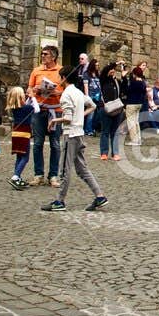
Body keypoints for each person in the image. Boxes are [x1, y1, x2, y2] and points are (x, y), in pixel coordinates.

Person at [43, 65, 106, 213]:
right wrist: (81, 116)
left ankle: (59, 201)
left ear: (64, 78)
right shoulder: (78, 92)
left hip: (70, 135)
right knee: (82, 169)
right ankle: (100, 196)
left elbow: (68, 118)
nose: (58, 80)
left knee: (65, 169)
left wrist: (53, 121)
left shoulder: (66, 95)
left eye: (60, 77)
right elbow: (92, 106)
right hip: (80, 134)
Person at [26, 44, 63, 185]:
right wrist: (33, 91)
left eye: (45, 54)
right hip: (39, 109)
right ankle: (38, 174)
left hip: (55, 110)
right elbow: (29, 88)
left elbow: (66, 91)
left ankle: (53, 175)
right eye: (42, 54)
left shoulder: (60, 71)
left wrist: (55, 92)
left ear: (53, 57)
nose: (42, 56)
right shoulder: (36, 71)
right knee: (37, 143)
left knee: (55, 144)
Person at [6, 86, 35, 190]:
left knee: (19, 156)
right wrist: (33, 97)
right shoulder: (27, 108)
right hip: (24, 134)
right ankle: (15, 176)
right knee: (25, 157)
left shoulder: (15, 108)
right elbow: (35, 108)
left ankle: (17, 177)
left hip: (16, 134)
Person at [97, 61, 123, 160]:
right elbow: (105, 70)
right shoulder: (103, 80)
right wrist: (116, 63)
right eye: (111, 69)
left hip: (117, 108)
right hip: (105, 108)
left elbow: (124, 91)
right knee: (105, 131)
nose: (112, 71)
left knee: (115, 132)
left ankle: (115, 153)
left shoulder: (116, 81)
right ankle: (104, 152)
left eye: (114, 70)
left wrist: (124, 78)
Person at [123, 62, 151, 148]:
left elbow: (126, 91)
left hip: (132, 103)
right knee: (136, 122)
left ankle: (134, 141)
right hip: (139, 104)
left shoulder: (134, 82)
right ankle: (138, 139)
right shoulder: (143, 83)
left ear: (134, 74)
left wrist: (123, 78)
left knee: (131, 122)